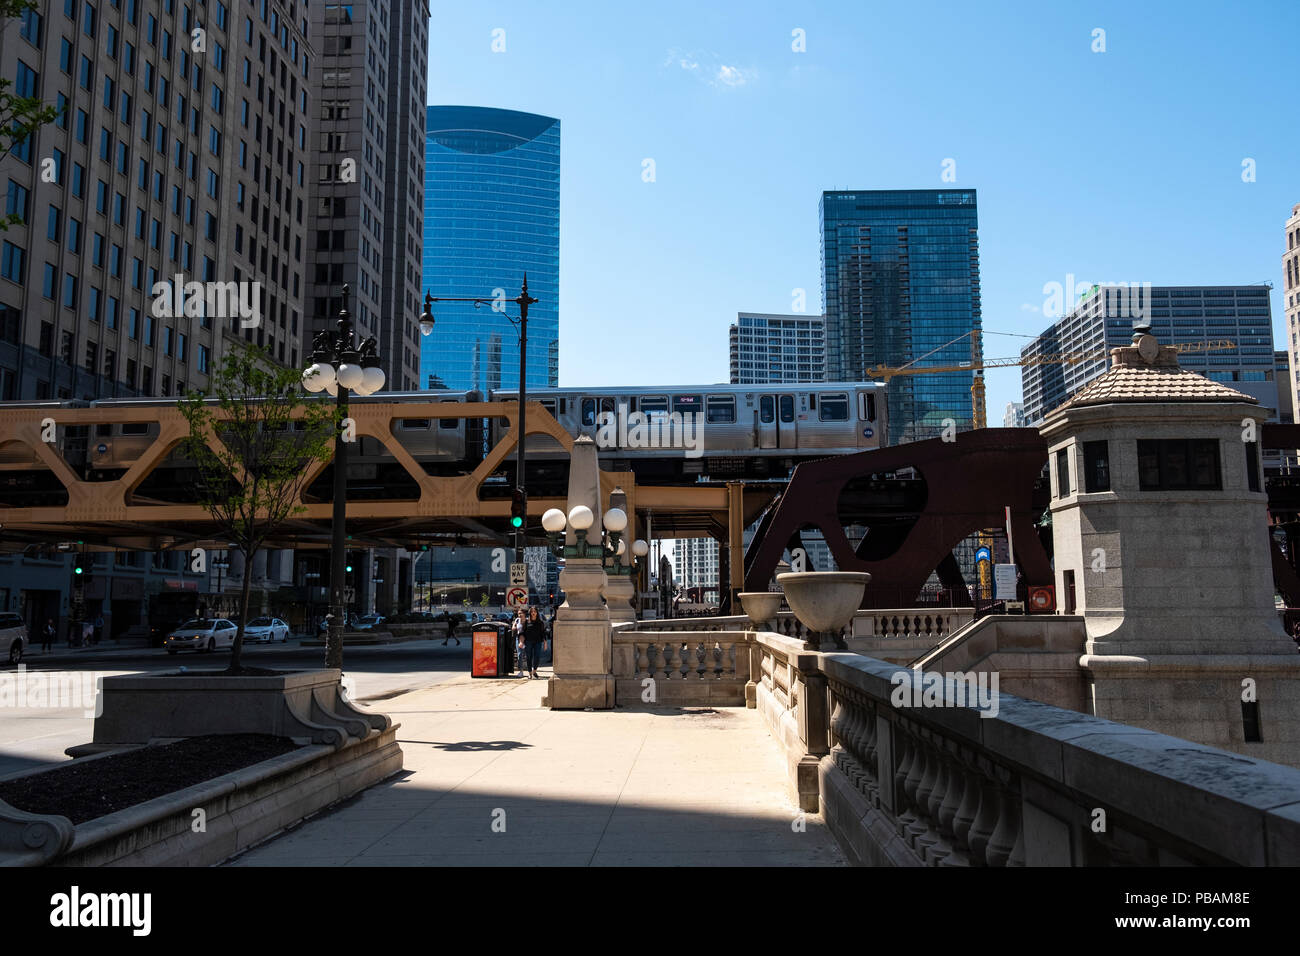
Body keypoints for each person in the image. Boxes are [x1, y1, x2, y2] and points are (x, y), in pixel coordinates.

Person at [523, 606, 547, 679]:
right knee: (529, 657)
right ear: (530, 613)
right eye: (532, 611)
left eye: (535, 611)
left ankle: (534, 671)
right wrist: (522, 641)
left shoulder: (540, 622)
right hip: (528, 642)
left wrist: (545, 643)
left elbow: (543, 633)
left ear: (537, 613)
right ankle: (530, 673)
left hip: (538, 642)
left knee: (537, 657)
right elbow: (523, 632)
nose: (533, 613)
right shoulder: (527, 622)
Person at [512, 609, 526, 677]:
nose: (519, 615)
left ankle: (531, 670)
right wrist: (514, 627)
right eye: (518, 613)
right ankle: (521, 671)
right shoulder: (517, 620)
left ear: (524, 614)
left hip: (526, 639)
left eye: (521, 613)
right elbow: (513, 627)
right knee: (519, 655)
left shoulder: (527, 620)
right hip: (518, 638)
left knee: (528, 655)